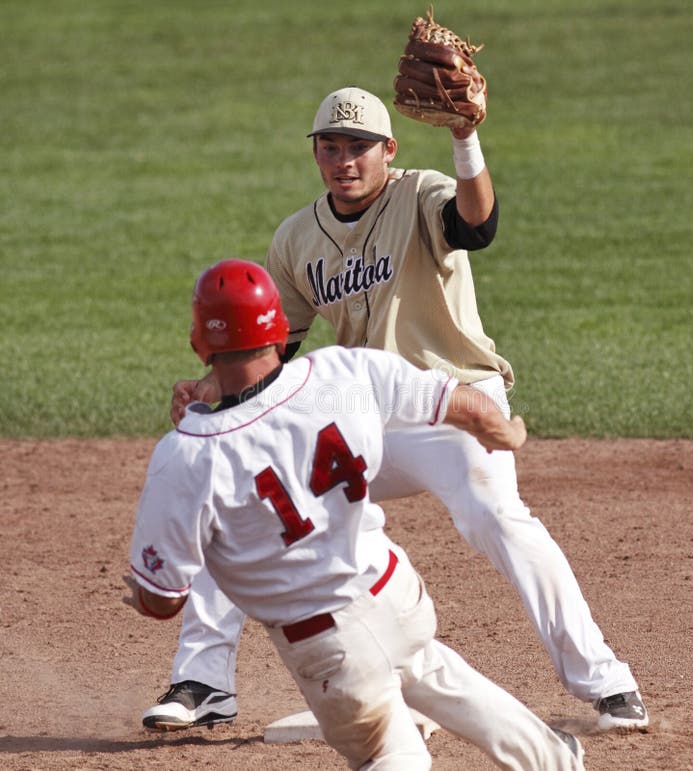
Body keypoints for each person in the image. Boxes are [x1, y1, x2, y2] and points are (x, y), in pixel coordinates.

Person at [147, 86, 647, 734]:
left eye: (359, 147)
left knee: (495, 514)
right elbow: (270, 354)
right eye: (331, 146)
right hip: (367, 413)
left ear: (389, 150)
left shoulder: (421, 194)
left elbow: (477, 225)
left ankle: (606, 680)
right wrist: (205, 386)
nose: (344, 159)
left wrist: (466, 136)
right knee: (249, 501)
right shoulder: (297, 238)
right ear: (317, 152)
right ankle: (203, 682)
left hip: (457, 401)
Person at [125, 258, 586, 770]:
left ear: (199, 345)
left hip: (330, 649)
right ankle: (555, 761)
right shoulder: (344, 372)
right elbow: (474, 408)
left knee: (392, 755)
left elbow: (163, 599)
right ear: (280, 333)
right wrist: (507, 432)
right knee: (430, 669)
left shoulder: (188, 454)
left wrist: (144, 594)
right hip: (395, 594)